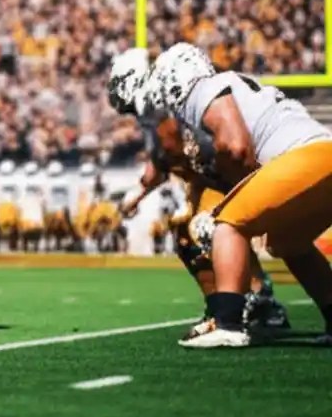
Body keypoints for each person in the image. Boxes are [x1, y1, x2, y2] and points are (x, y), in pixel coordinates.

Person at [141, 43, 329, 348]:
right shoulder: (238, 86)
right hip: (323, 157)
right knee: (288, 242)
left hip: (304, 158)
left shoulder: (205, 89)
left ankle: (226, 322)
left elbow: (236, 146)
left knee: (227, 224)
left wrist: (234, 201)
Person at [105, 47, 288, 335]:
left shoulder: (182, 102)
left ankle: (253, 301)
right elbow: (161, 162)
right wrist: (138, 194)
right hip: (214, 181)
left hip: (241, 171)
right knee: (189, 232)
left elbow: (222, 145)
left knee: (209, 230)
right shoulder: (159, 118)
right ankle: (231, 307)